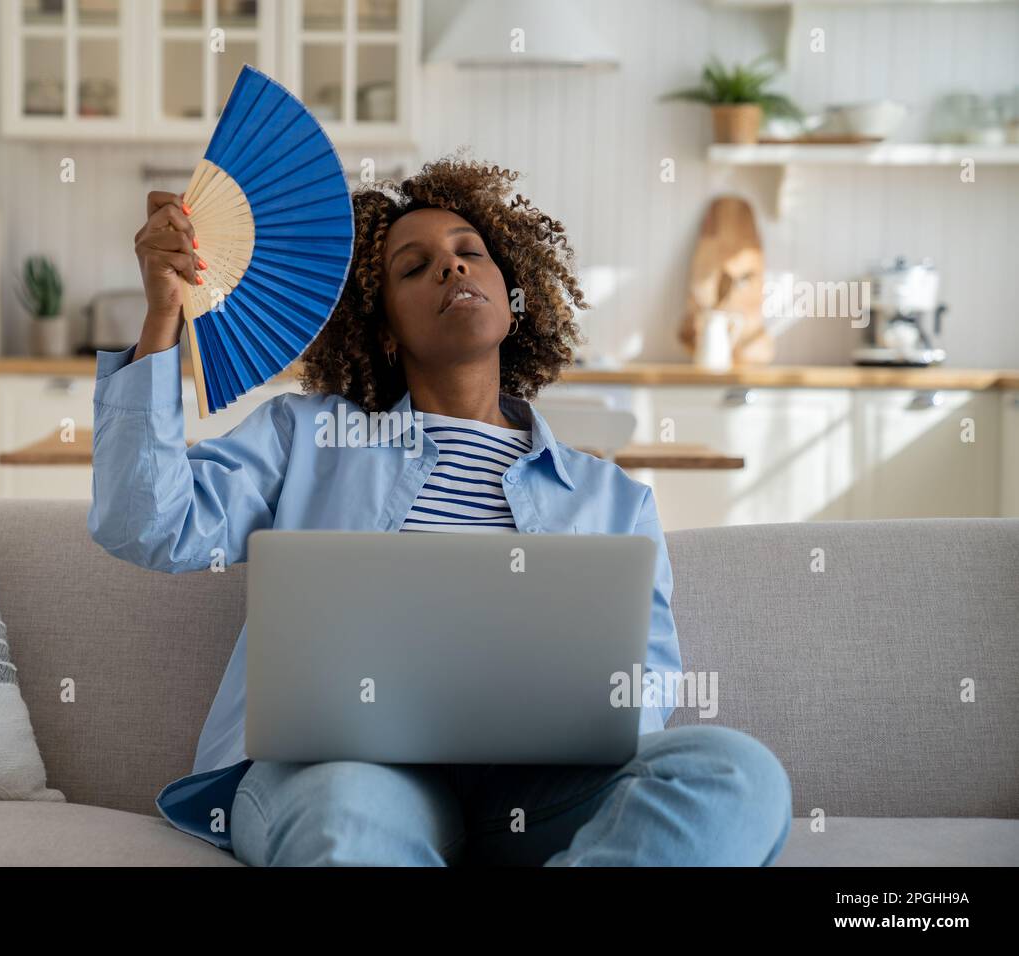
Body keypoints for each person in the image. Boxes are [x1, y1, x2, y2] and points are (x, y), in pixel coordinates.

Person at [88, 154, 793, 866]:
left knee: (737, 772)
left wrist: (552, 724)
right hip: (351, 775)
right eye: (414, 267)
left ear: (514, 297)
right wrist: (163, 318)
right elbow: (148, 525)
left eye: (468, 254)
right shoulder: (305, 438)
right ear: (385, 328)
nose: (451, 269)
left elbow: (645, 690)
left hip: (542, 790)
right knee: (346, 820)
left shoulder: (614, 499)